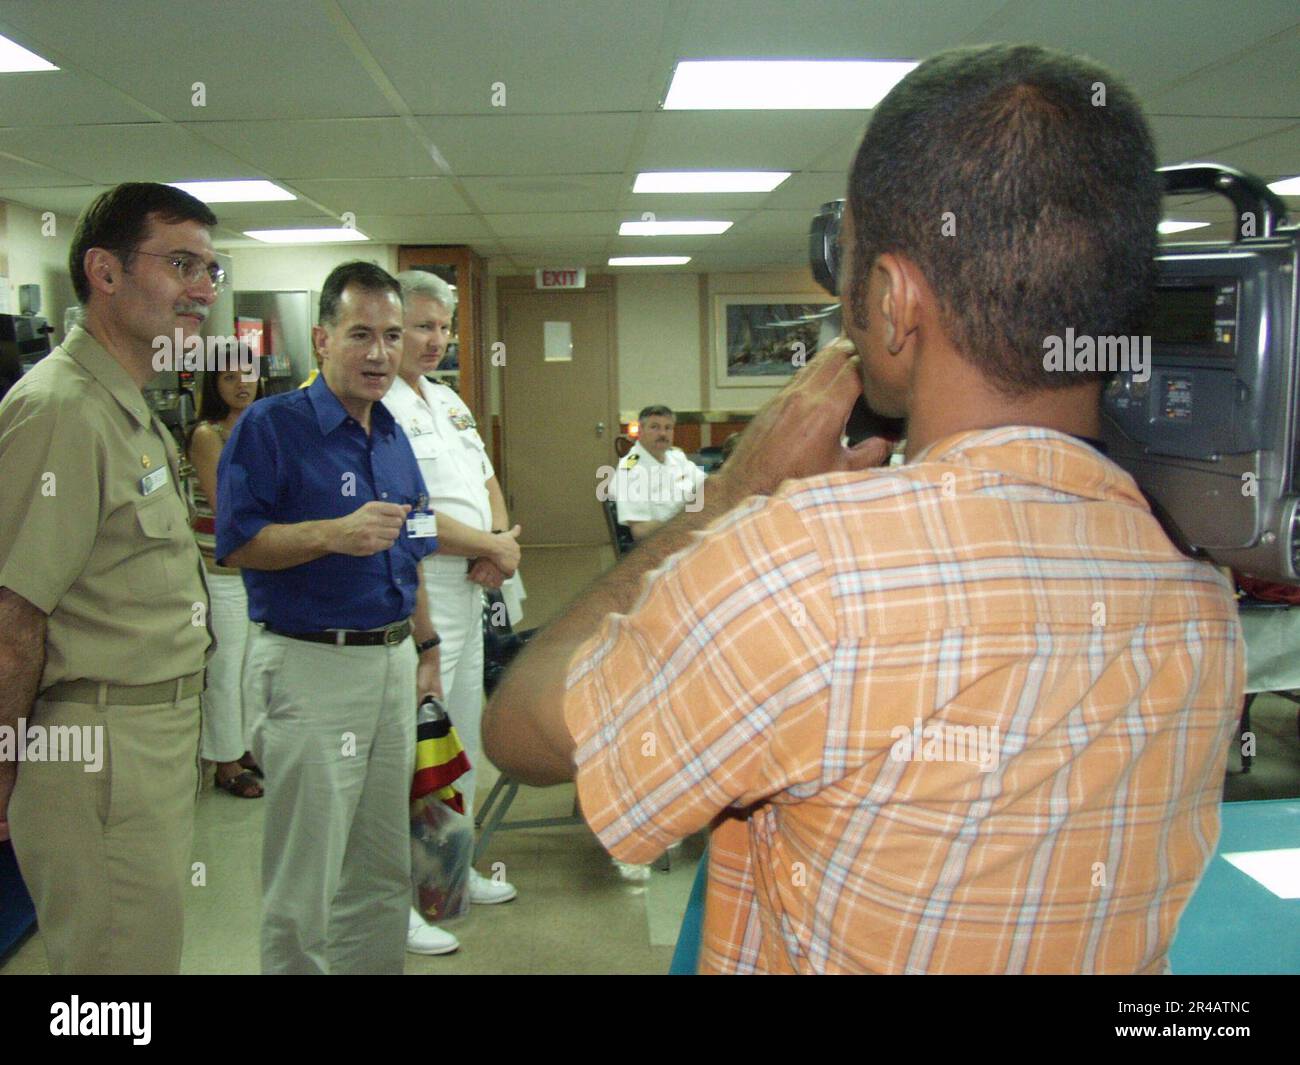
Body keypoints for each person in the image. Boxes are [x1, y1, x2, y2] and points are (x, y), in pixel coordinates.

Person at [483, 44, 1243, 974]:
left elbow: (518, 727)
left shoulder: (802, 569)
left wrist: (730, 499)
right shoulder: (1200, 581)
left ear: (893, 302)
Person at [0, 182, 219, 973]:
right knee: (116, 977)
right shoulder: (63, 409)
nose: (203, 290)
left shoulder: (122, 404)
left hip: (145, 739)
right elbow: (13, 616)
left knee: (135, 959)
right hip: (98, 748)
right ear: (105, 271)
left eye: (212, 271)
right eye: (182, 264)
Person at [216, 260, 442, 975]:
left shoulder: (392, 433)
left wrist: (427, 647)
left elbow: (415, 544)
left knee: (381, 868)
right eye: (360, 334)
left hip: (391, 662)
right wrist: (331, 533)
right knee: (306, 876)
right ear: (322, 339)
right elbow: (237, 543)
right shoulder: (272, 427)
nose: (380, 353)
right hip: (311, 668)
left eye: (392, 336)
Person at [383, 270, 522, 956]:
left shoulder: (447, 399)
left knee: (458, 739)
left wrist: (498, 542)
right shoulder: (379, 406)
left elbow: (486, 480)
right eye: (422, 326)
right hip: (422, 589)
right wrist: (489, 545)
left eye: (443, 327)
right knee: (414, 748)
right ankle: (399, 900)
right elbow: (408, 518)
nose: (436, 339)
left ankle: (449, 871)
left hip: (473, 581)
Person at [186, 357, 266, 798]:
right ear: (214, 385)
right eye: (229, 377)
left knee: (253, 665)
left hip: (260, 566)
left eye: (247, 375)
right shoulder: (208, 435)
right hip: (221, 568)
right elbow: (226, 505)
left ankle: (246, 744)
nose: (241, 384)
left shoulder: (263, 426)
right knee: (226, 664)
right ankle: (224, 760)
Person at [612, 405, 707, 540]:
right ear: (640, 431)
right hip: (663, 543)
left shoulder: (677, 458)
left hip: (694, 534)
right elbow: (640, 530)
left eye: (668, 428)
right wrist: (683, 522)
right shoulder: (628, 468)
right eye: (655, 427)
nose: (663, 433)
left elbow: (708, 486)